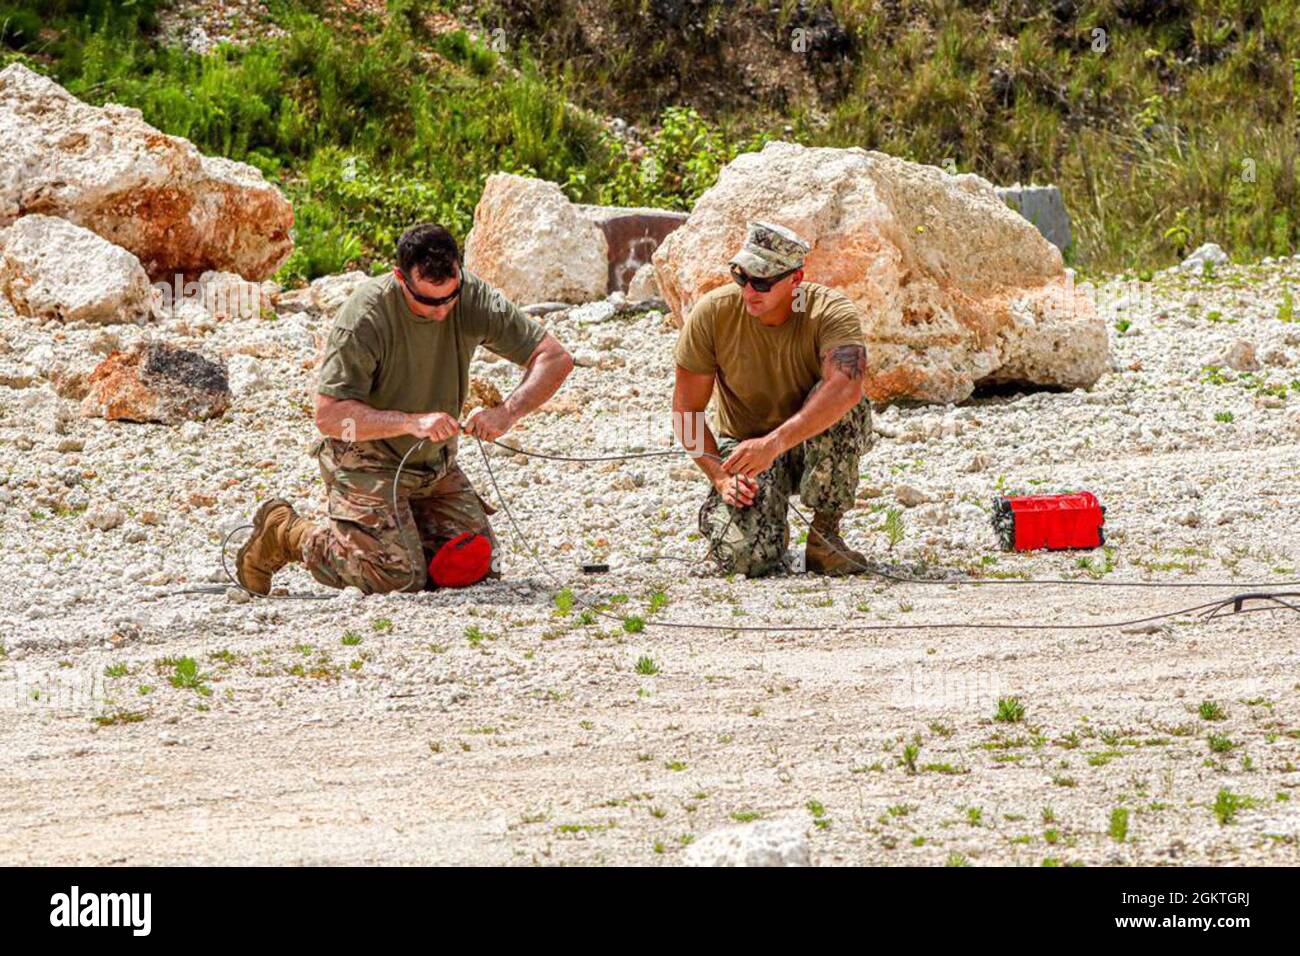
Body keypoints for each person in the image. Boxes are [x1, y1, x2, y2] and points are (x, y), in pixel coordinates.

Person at [236, 223, 574, 595]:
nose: (443, 311)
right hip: (366, 459)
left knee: (472, 566)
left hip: (433, 462)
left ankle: (400, 536)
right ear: (400, 278)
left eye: (451, 297)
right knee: (394, 577)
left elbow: (554, 357)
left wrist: (506, 413)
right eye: (428, 302)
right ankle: (287, 533)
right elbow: (329, 418)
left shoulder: (472, 296)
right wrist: (409, 423)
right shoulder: (365, 318)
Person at [672, 220, 873, 577]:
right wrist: (720, 476)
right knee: (744, 560)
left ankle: (825, 537)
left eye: (762, 281)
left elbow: (848, 386)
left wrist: (775, 442)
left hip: (808, 441)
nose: (750, 290)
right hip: (748, 451)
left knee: (842, 404)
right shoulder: (713, 314)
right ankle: (765, 531)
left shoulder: (829, 311)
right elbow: (686, 412)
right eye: (741, 276)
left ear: (795, 279)